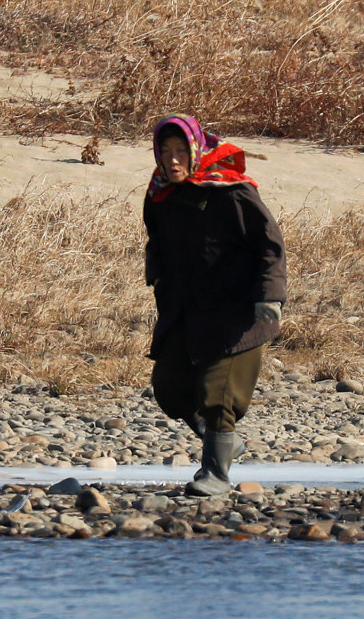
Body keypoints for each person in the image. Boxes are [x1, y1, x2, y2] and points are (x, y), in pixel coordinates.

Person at [142, 114, 286, 496]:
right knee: (169, 387)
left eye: (179, 152)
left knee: (219, 395)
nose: (172, 160)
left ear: (194, 151)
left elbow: (269, 243)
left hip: (239, 312)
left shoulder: (232, 191)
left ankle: (216, 475)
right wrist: (155, 275)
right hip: (187, 310)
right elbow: (156, 241)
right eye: (165, 152)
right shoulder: (160, 194)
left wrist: (270, 295)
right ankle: (221, 441)